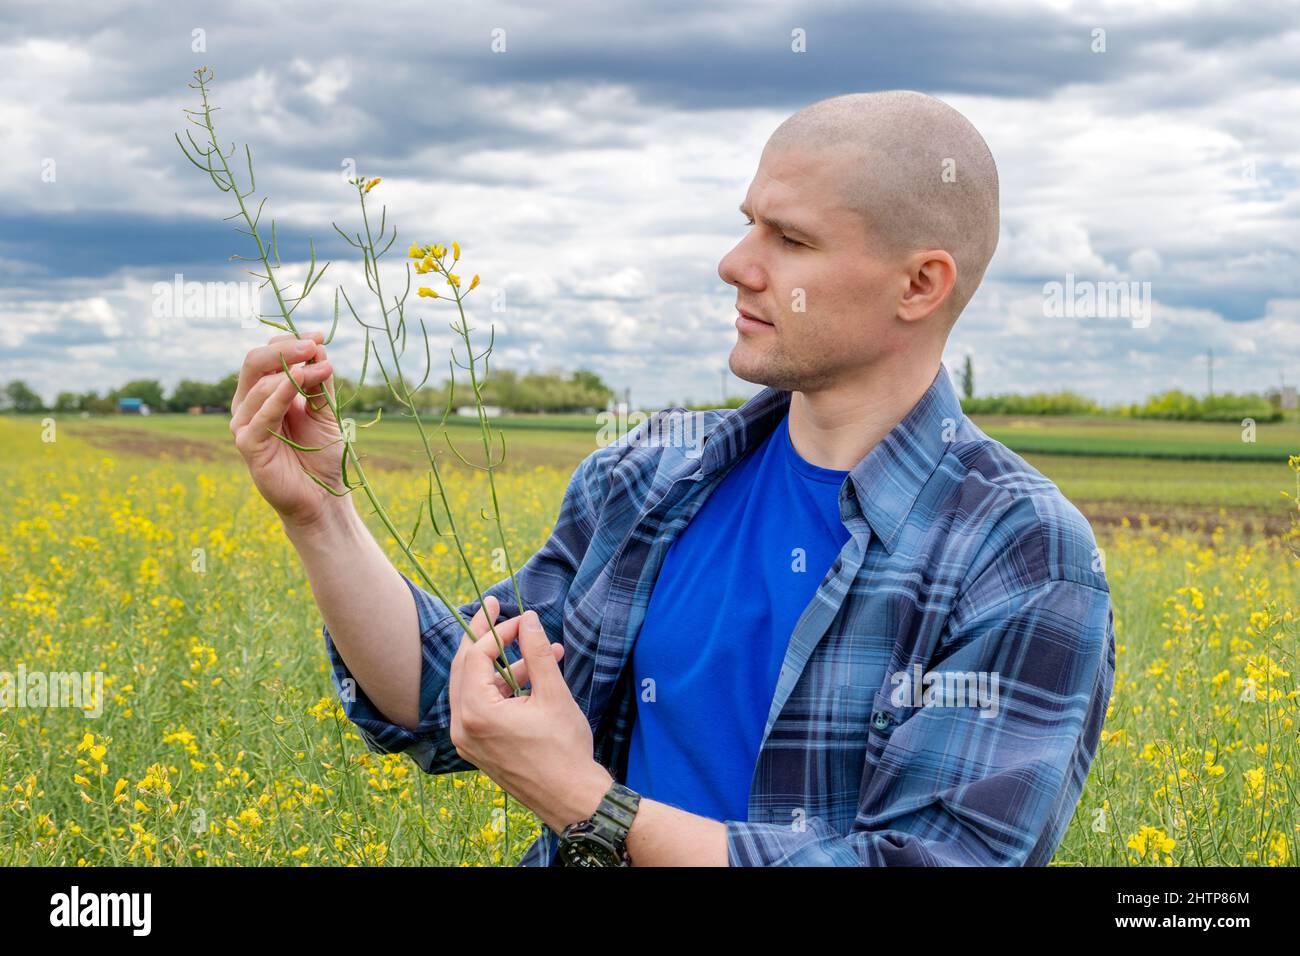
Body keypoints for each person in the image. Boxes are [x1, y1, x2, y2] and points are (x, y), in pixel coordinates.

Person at [228, 90, 1116, 866]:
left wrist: (591, 808)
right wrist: (321, 513)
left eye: (791, 238)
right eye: (748, 220)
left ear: (919, 285)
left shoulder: (1021, 556)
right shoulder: (652, 472)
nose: (737, 263)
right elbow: (442, 695)